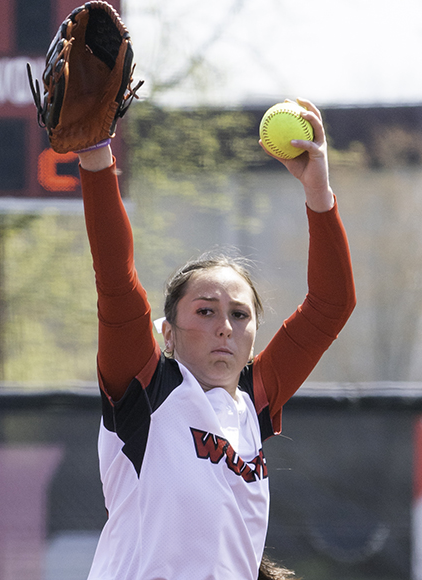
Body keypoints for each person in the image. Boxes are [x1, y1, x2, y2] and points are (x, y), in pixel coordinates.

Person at [76, 98, 356, 580]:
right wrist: (96, 155)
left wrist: (318, 189)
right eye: (204, 311)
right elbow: (117, 285)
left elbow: (332, 304)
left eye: (239, 314)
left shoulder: (252, 400)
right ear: (168, 334)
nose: (224, 326)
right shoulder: (147, 393)